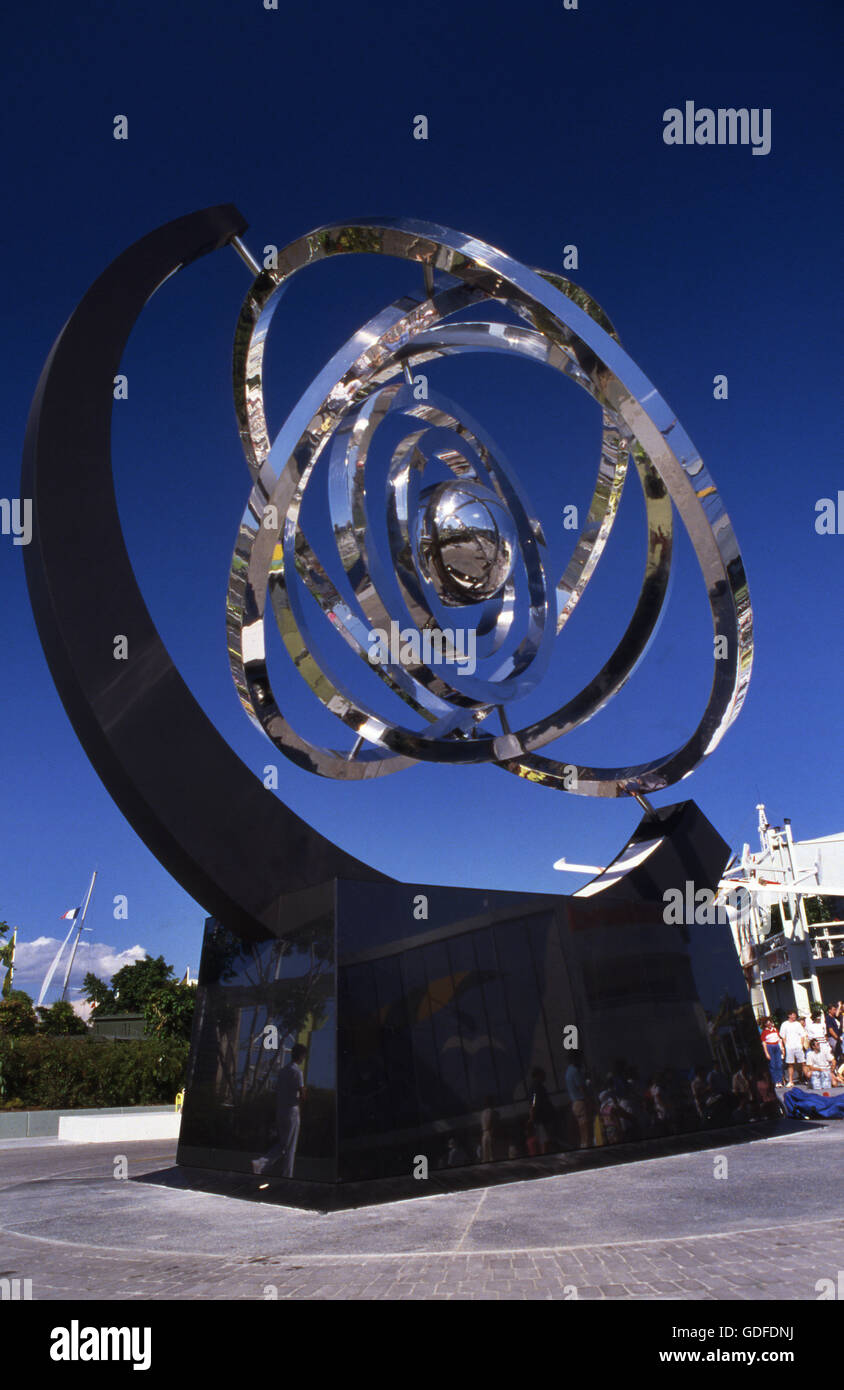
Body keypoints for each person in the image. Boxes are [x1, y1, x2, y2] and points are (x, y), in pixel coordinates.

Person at [252, 1042, 308, 1177]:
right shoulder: (297, 1072)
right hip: (292, 1111)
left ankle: (264, 1164)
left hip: (280, 1111)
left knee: (283, 1144)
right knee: (289, 1147)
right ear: (300, 1056)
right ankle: (282, 1173)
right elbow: (302, 1094)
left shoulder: (283, 1071)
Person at [565, 1052, 591, 1149]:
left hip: (574, 1103)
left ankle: (583, 1147)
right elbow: (581, 1088)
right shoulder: (575, 1071)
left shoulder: (568, 1071)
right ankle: (588, 1149)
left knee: (582, 1129)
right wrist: (589, 1100)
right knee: (586, 1129)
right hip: (580, 1101)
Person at [529, 1067, 555, 1154]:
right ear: (538, 1075)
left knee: (545, 1139)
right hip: (542, 1118)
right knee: (545, 1140)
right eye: (543, 1074)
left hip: (542, 1118)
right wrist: (533, 1114)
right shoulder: (536, 1087)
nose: (545, 1076)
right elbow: (534, 1101)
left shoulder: (536, 1086)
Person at [779, 1010, 805, 1087]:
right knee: (790, 1064)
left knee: (803, 1063)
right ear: (789, 1015)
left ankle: (805, 1078)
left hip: (798, 1046)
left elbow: (802, 1035)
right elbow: (783, 1036)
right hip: (789, 1047)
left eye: (795, 1015)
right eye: (793, 1015)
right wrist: (786, 1045)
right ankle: (790, 1081)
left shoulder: (798, 1024)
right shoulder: (784, 1024)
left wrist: (801, 1045)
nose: (795, 1016)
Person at [759, 1017, 784, 1087]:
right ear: (765, 1024)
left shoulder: (775, 1030)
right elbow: (764, 1043)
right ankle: (776, 1081)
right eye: (767, 1022)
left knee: (779, 1064)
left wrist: (782, 1048)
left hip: (777, 1046)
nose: (769, 1023)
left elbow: (779, 1040)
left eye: (770, 1022)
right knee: (772, 1065)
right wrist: (766, 1053)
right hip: (770, 1047)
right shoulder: (764, 1032)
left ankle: (780, 1081)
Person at [479, 1096, 498, 1162]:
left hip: (484, 1134)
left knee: (485, 1157)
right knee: (492, 1156)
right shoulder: (494, 1112)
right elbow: (493, 1123)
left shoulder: (482, 1113)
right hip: (490, 1133)